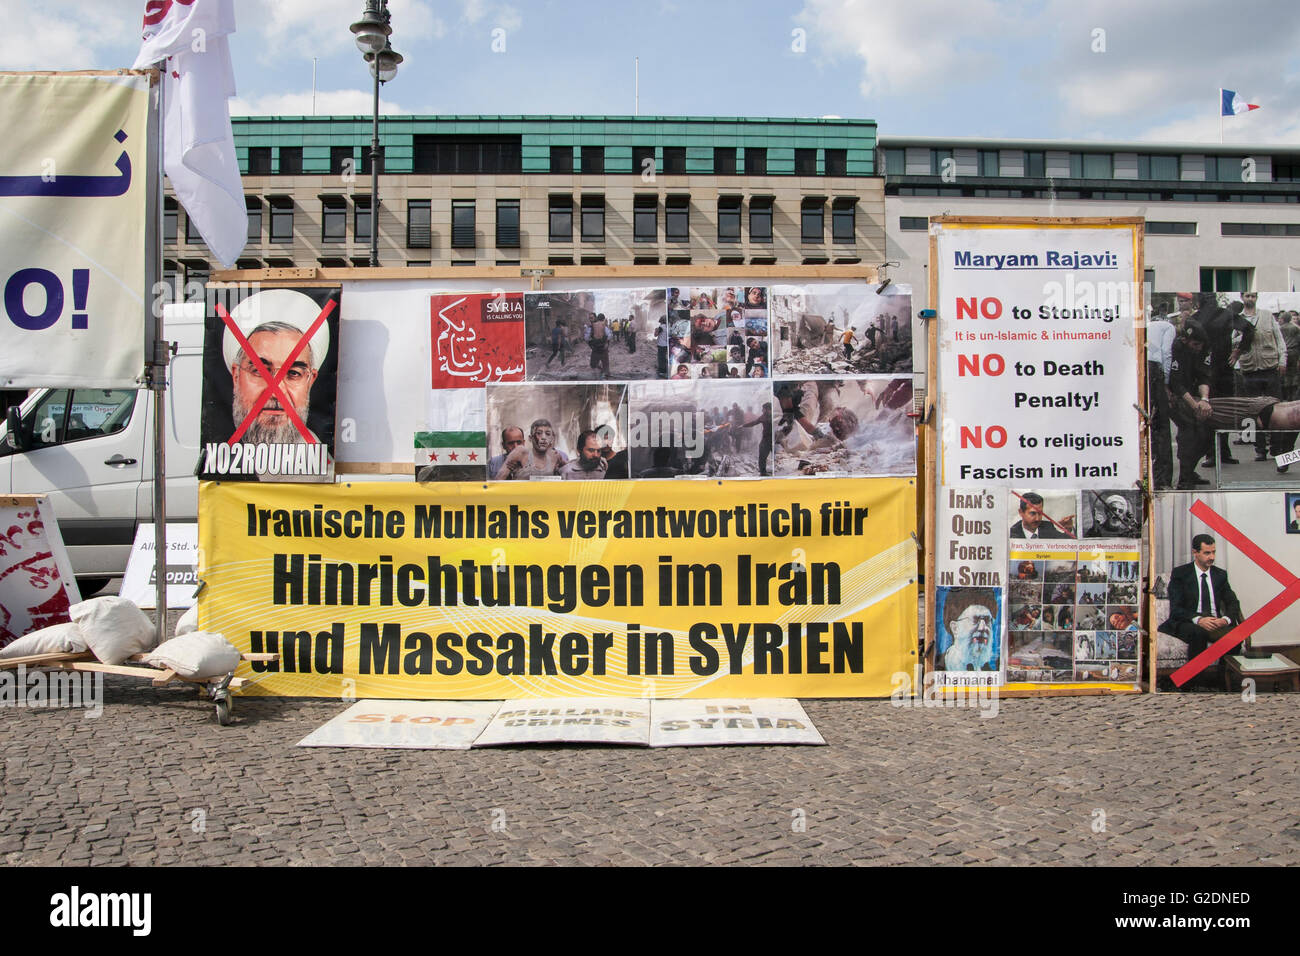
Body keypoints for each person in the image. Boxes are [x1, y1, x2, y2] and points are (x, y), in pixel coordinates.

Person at [225, 290, 330, 447]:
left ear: (310, 381)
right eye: (260, 371)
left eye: (293, 373)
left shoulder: (323, 467)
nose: (275, 392)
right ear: (236, 376)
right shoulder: (217, 461)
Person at [1158, 534, 1243, 658]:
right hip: (1188, 622)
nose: (1212, 557)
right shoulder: (1181, 574)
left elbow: (1233, 602)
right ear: (1195, 552)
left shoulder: (1220, 575)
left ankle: (1224, 676)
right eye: (1207, 553)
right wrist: (1199, 620)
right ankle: (1196, 677)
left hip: (1215, 622)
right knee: (1198, 633)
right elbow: (1176, 608)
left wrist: (1225, 620)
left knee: (1234, 637)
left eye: (1213, 552)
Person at [1236, 291, 1288, 461]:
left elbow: (1279, 340)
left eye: (1253, 296)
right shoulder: (1237, 319)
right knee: (1254, 411)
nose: (1250, 299)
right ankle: (1260, 449)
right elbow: (1232, 343)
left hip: (1269, 368)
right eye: (1247, 296)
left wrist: (1283, 361)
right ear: (1242, 298)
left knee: (1275, 410)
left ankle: (1276, 448)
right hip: (1250, 370)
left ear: (1256, 298)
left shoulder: (1267, 316)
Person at [1168, 320, 1214, 488]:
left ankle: (1190, 471)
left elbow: (1204, 376)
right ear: (1185, 340)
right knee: (1189, 431)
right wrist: (1196, 407)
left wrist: (1204, 400)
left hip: (1195, 394)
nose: (1198, 348)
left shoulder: (1205, 347)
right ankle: (1184, 479)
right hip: (1175, 394)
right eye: (1195, 344)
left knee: (1207, 434)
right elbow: (1176, 383)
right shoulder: (1177, 348)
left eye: (1200, 345)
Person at [1147, 308, 1176, 488]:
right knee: (1162, 426)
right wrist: (1166, 382)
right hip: (1155, 371)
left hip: (1143, 367)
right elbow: (1167, 353)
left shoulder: (1148, 326)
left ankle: (1152, 476)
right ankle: (1164, 479)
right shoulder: (1168, 327)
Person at [940, 588, 997, 672]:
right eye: (975, 619)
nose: (982, 628)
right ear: (955, 628)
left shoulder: (992, 674)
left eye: (987, 620)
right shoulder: (936, 667)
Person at [496, 419, 567, 479]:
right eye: (539, 433)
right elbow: (497, 481)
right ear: (530, 438)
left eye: (548, 434)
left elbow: (570, 471)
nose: (544, 437)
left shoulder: (554, 456)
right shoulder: (520, 452)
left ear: (552, 438)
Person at [1009, 492, 1073, 539]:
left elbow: (1066, 542)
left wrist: (1068, 528)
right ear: (1021, 512)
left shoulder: (1048, 527)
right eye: (1032, 513)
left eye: (1040, 513)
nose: (1037, 519)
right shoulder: (1012, 533)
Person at [740, 402, 773, 476]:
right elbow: (754, 422)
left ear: (768, 409)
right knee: (762, 456)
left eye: (763, 409)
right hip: (766, 439)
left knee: (767, 456)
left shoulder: (773, 416)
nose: (762, 410)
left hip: (773, 438)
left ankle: (769, 472)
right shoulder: (763, 416)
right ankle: (763, 473)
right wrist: (744, 425)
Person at [585, 313, 610, 378]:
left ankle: (603, 376)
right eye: (590, 318)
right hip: (600, 348)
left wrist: (591, 343)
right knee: (602, 364)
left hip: (597, 348)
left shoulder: (592, 327)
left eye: (592, 318)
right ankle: (604, 374)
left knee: (596, 364)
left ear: (596, 318)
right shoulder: (603, 325)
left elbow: (586, 338)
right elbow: (609, 335)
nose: (590, 319)